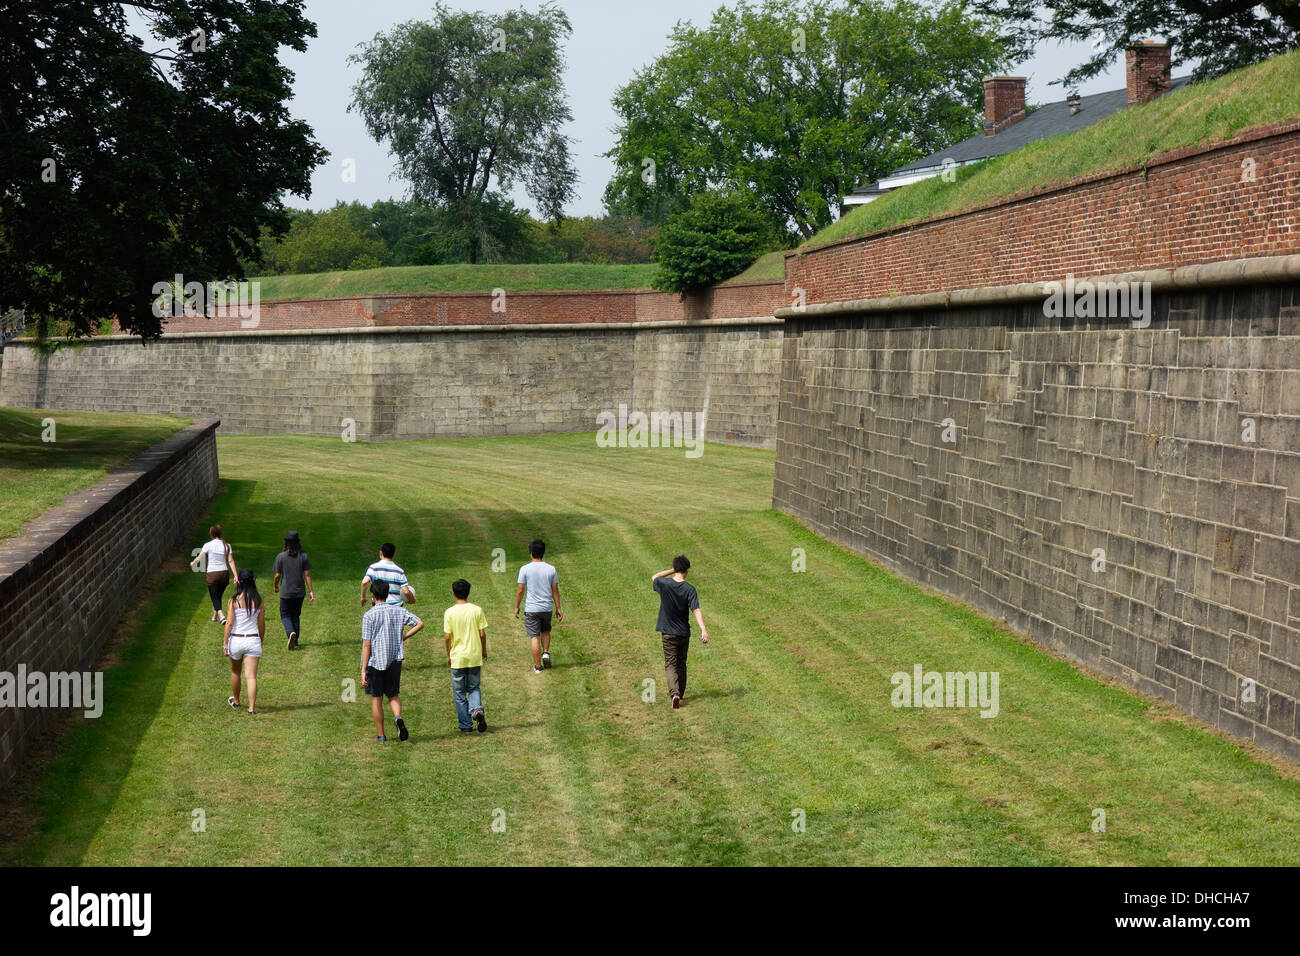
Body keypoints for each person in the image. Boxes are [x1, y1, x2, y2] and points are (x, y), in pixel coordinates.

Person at [361, 580, 424, 743]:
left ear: (373, 596)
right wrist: (405, 636)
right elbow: (420, 623)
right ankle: (397, 717)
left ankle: (381, 735)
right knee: (393, 695)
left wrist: (363, 669)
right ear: (388, 593)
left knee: (377, 698)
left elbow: (367, 644)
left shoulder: (369, 615)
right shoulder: (398, 611)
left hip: (375, 661)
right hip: (395, 659)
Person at [652, 556, 709, 709]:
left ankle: (675, 694)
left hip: (668, 633)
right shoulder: (689, 589)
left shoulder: (664, 584)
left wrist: (672, 570)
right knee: (681, 663)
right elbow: (696, 609)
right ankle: (681, 693)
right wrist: (703, 629)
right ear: (687, 570)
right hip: (683, 633)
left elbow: (655, 577)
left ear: (676, 569)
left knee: (670, 664)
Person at [443, 579, 488, 733]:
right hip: (474, 656)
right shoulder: (477, 610)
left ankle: (466, 725)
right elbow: (482, 633)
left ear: (453, 593)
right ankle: (476, 710)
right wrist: (483, 650)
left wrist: (448, 654)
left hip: (458, 658)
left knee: (459, 693)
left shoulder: (449, 612)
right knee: (474, 687)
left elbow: (448, 637)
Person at [515, 539, 562, 674]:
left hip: (531, 609)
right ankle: (545, 652)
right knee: (545, 631)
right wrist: (558, 608)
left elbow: (520, 590)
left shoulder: (524, 569)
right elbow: (555, 591)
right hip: (546, 608)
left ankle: (538, 666)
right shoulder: (551, 569)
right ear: (543, 552)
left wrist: (517, 606)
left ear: (530, 553)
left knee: (534, 636)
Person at [223, 569, 265, 714]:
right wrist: (261, 640)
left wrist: (224, 643)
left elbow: (229, 623)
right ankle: (252, 708)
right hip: (253, 639)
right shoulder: (258, 601)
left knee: (235, 672)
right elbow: (261, 624)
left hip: (236, 639)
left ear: (239, 582)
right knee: (251, 676)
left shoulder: (234, 601)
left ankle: (236, 700)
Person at [273, 530, 314, 650]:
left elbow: (277, 575)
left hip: (286, 591)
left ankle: (291, 633)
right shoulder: (303, 556)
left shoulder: (280, 557)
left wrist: (275, 585)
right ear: (298, 543)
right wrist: (311, 591)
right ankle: (295, 641)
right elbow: (307, 575)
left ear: (286, 543)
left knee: (285, 614)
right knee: (296, 614)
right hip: (299, 591)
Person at [191, 525, 238, 625]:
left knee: (214, 596)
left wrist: (193, 563)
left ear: (211, 534)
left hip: (212, 574)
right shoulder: (227, 545)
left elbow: (200, 557)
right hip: (224, 575)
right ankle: (214, 615)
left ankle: (221, 615)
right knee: (218, 595)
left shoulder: (208, 545)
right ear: (220, 534)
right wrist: (235, 575)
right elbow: (230, 561)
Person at [362, 542, 415, 608]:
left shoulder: (373, 568)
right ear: (394, 554)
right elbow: (406, 591)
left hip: (378, 606)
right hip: (396, 607)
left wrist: (363, 597)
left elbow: (364, 582)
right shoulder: (399, 571)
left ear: (380, 553)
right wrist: (412, 600)